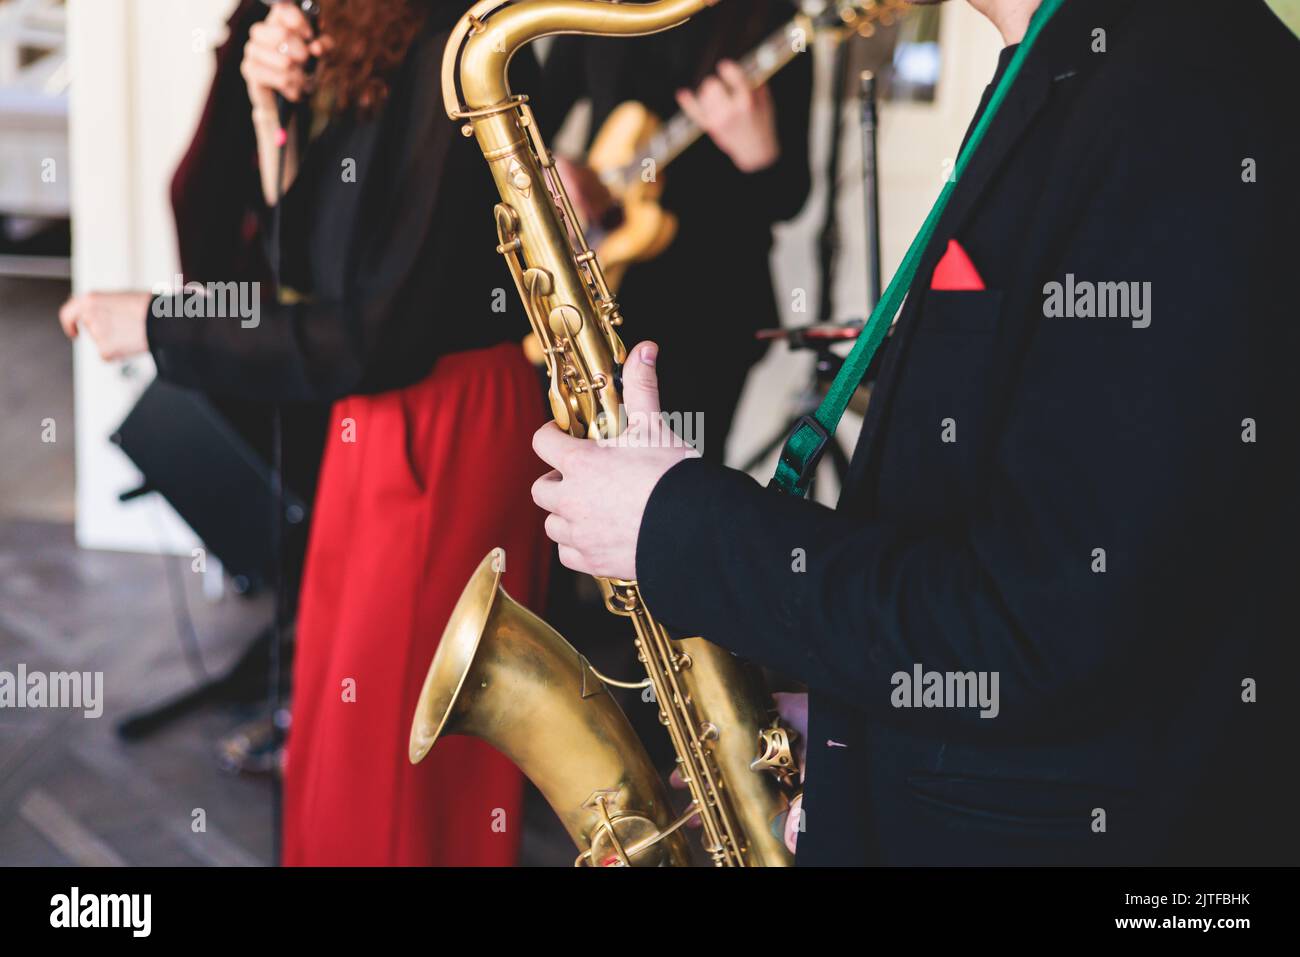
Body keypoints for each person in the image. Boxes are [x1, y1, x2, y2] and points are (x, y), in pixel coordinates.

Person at [527, 0, 1300, 865]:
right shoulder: (1073, 62)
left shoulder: (1177, 100)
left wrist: (672, 526)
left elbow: (1044, 623)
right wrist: (865, 717)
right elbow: (1003, 544)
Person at [58, 0, 550, 866]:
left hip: (445, 423)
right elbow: (305, 272)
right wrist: (268, 111)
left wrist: (163, 326)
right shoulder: (371, 38)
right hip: (374, 419)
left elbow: (369, 334)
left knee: (402, 769)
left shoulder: (454, 43)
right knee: (342, 730)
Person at [540, 1, 813, 463]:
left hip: (712, 314)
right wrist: (556, 170)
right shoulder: (594, 8)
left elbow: (790, 197)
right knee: (581, 479)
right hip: (598, 297)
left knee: (682, 495)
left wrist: (759, 156)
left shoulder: (774, 17)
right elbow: (534, 122)